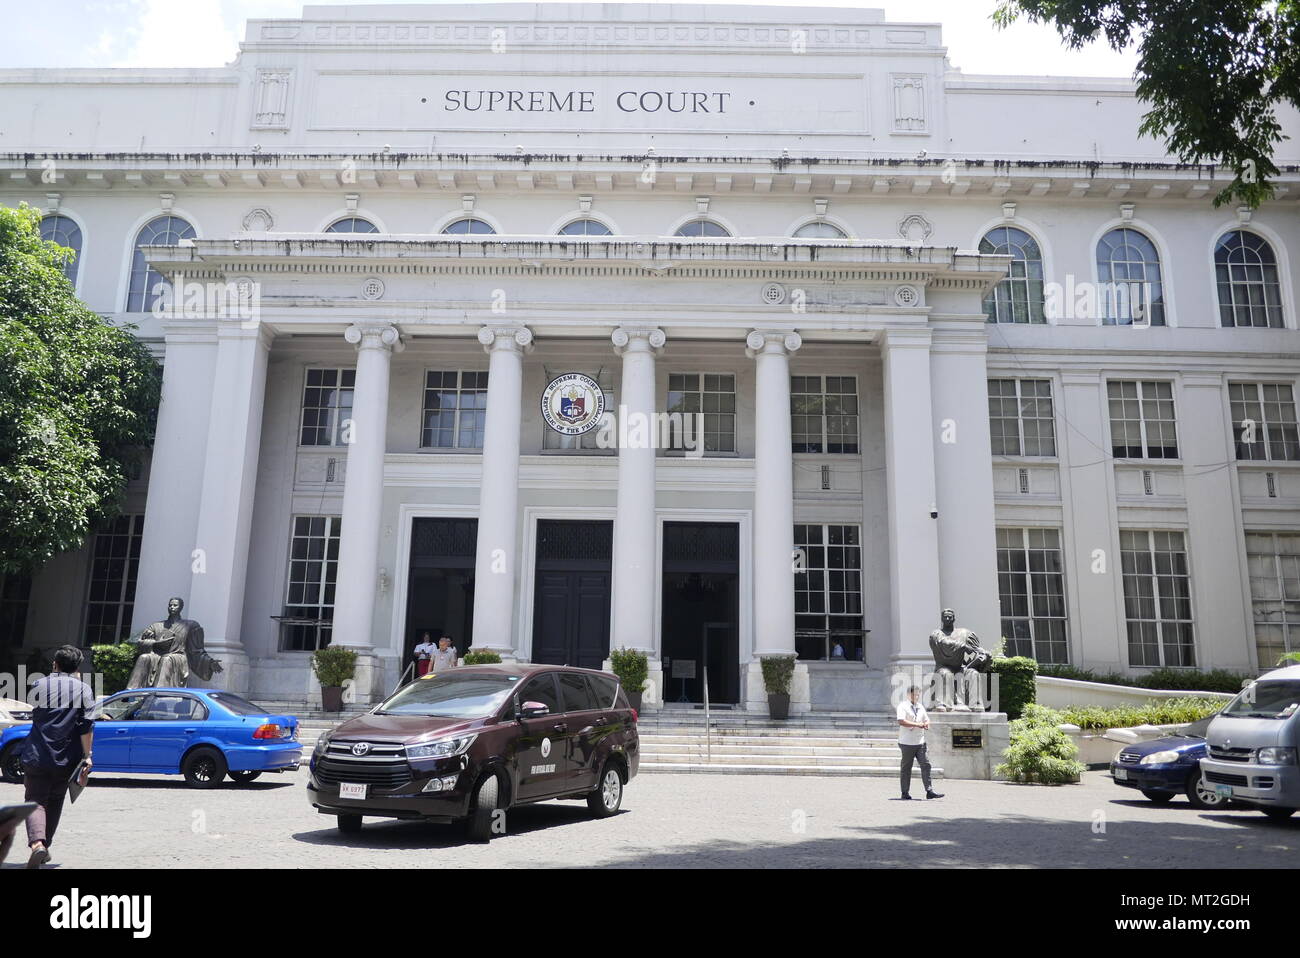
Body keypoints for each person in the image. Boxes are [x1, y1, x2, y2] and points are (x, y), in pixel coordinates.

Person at [21, 644, 95, 868]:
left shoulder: (38, 685)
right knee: (55, 801)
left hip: (37, 754)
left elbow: (37, 714)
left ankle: (38, 845)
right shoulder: (84, 690)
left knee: (35, 800)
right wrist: (87, 756)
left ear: (55, 664)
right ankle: (45, 845)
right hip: (66, 757)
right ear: (77, 667)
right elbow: (86, 727)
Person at [896, 685, 942, 801]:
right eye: (914, 694)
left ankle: (929, 791)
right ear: (908, 694)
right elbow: (901, 721)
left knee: (926, 765)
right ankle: (905, 792)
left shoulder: (920, 706)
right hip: (907, 742)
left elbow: (926, 719)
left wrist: (926, 723)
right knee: (906, 768)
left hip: (920, 741)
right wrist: (917, 725)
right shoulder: (903, 706)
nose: (916, 696)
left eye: (917, 694)